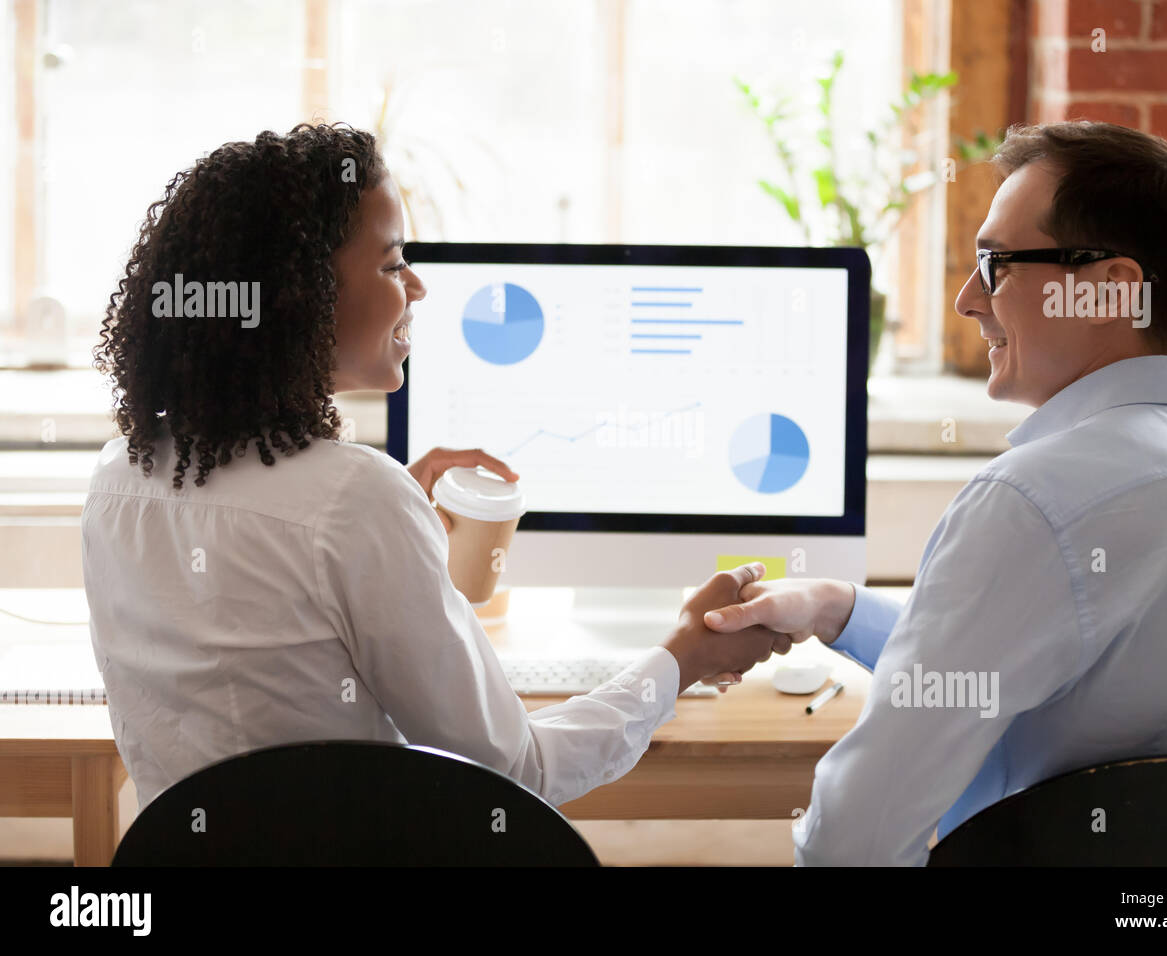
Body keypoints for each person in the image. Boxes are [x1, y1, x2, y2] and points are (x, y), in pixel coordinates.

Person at [83, 123, 784, 812]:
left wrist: (390, 532)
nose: (416, 287)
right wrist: (686, 655)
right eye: (391, 264)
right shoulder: (354, 501)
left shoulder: (117, 480)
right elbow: (515, 773)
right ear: (302, 295)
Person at [705, 121, 1167, 865]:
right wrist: (844, 611)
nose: (964, 300)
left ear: (1111, 291)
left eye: (995, 265)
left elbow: (853, 836)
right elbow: (1063, 675)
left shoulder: (1032, 503)